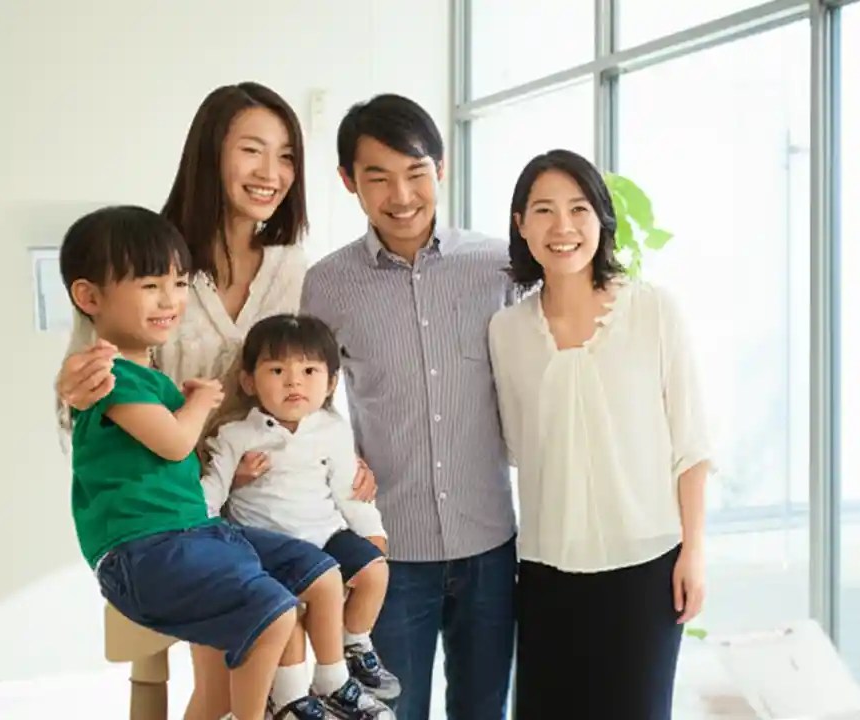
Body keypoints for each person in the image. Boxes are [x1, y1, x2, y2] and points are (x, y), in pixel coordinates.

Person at [54, 81, 377, 720]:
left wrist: (337, 450)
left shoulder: (290, 265)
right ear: (210, 155)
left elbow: (303, 370)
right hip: (181, 509)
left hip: (266, 500)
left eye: (286, 156)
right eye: (252, 151)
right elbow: (85, 386)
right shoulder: (151, 255)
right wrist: (73, 388)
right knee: (228, 682)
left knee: (320, 600)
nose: (272, 173)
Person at [301, 94, 516, 719]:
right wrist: (339, 462)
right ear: (349, 182)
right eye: (378, 178)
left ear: (440, 169)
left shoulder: (498, 265)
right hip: (389, 556)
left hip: (490, 544)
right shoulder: (327, 284)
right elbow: (307, 400)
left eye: (416, 172)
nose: (401, 195)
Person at [487, 149, 711, 719]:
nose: (562, 228)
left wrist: (694, 553)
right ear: (521, 225)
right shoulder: (506, 331)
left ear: (601, 218)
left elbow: (692, 445)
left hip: (646, 567)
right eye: (543, 210)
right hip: (545, 573)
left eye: (578, 209)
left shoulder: (653, 311)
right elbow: (516, 445)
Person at [201, 314, 399, 718]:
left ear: (330, 383)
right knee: (283, 613)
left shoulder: (332, 428)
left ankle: (354, 645)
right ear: (249, 382)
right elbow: (211, 495)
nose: (294, 382)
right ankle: (296, 697)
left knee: (376, 570)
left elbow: (350, 490)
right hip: (268, 546)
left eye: (309, 370)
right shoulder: (235, 436)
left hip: (326, 533)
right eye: (277, 370)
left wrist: (372, 535)